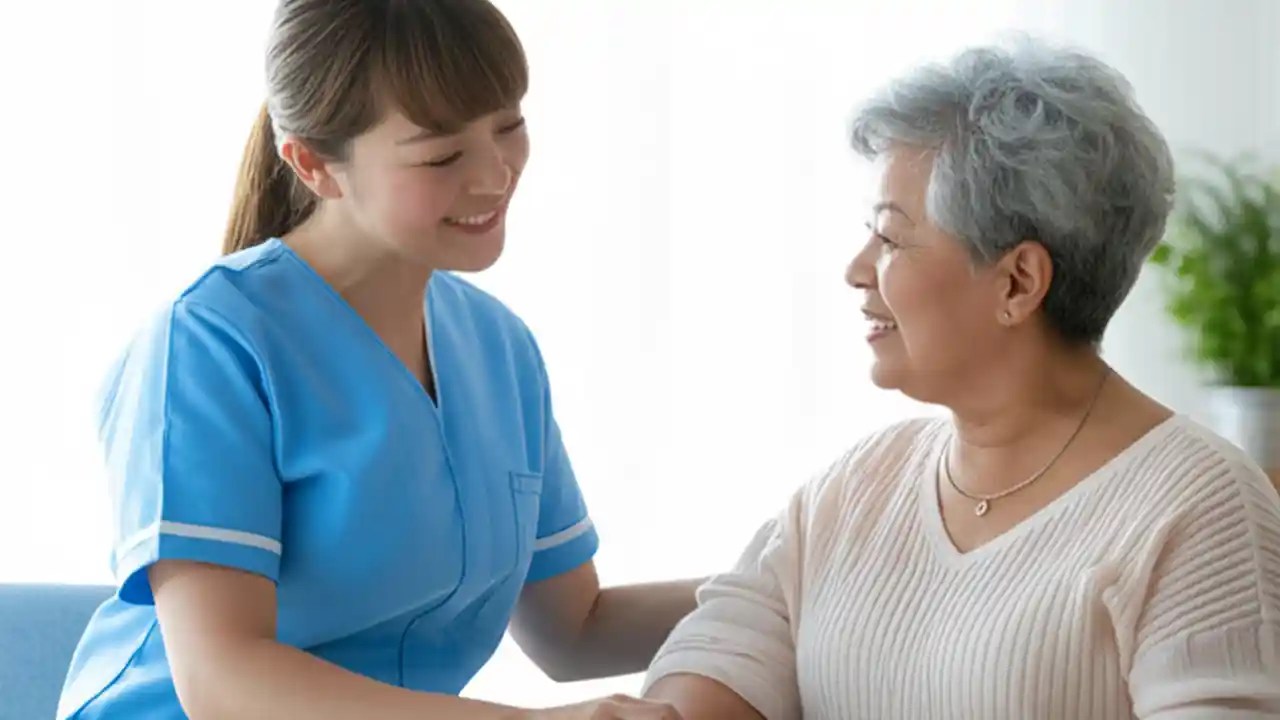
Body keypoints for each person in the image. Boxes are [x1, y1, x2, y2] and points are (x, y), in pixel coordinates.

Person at [58, 1, 696, 718]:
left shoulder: (499, 349)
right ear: (313, 165)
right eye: (441, 155)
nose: (495, 175)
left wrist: (789, 588)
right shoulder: (209, 344)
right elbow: (224, 682)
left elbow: (574, 631)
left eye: (509, 125)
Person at [641, 39, 1280, 719]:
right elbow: (710, 668)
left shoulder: (1199, 507)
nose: (857, 269)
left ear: (1018, 281)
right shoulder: (858, 486)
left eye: (889, 238)